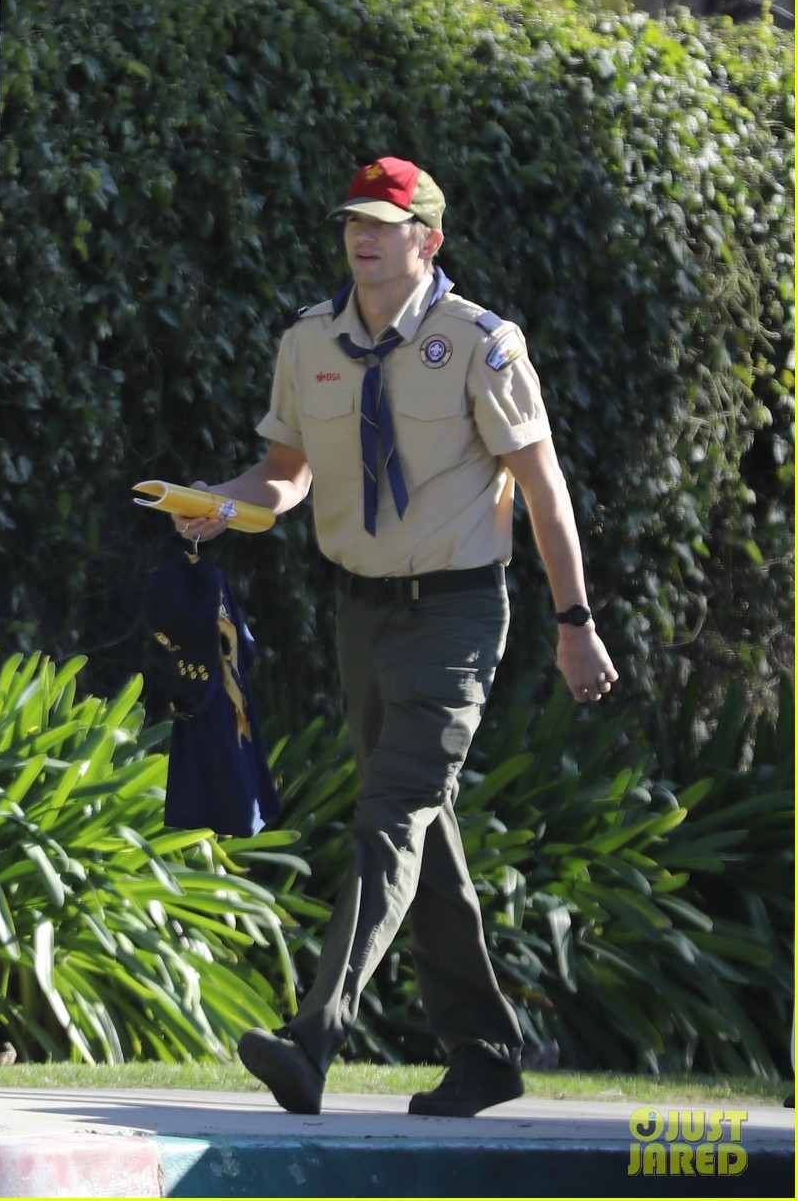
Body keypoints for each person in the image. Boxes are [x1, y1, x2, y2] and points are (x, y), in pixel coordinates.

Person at [174, 156, 618, 1118]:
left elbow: (541, 487)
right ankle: (487, 1053)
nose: (362, 235)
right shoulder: (309, 340)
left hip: (456, 612)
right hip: (360, 614)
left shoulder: (479, 344)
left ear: (429, 237)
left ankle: (313, 1039)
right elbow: (285, 472)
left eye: (384, 221)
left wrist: (573, 622)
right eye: (352, 220)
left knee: (391, 816)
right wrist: (221, 503)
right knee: (424, 826)